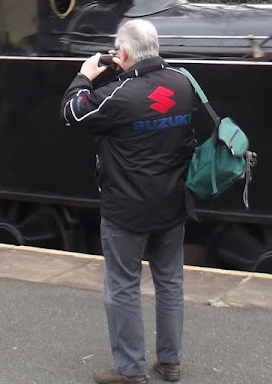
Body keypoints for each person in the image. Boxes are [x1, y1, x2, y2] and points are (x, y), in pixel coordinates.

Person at [60, 19, 197, 384]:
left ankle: (130, 370)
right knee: (170, 281)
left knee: (122, 284)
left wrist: (85, 74)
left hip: (127, 208)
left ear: (122, 53)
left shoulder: (121, 95)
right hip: (172, 203)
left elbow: (73, 111)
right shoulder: (183, 83)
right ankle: (170, 362)